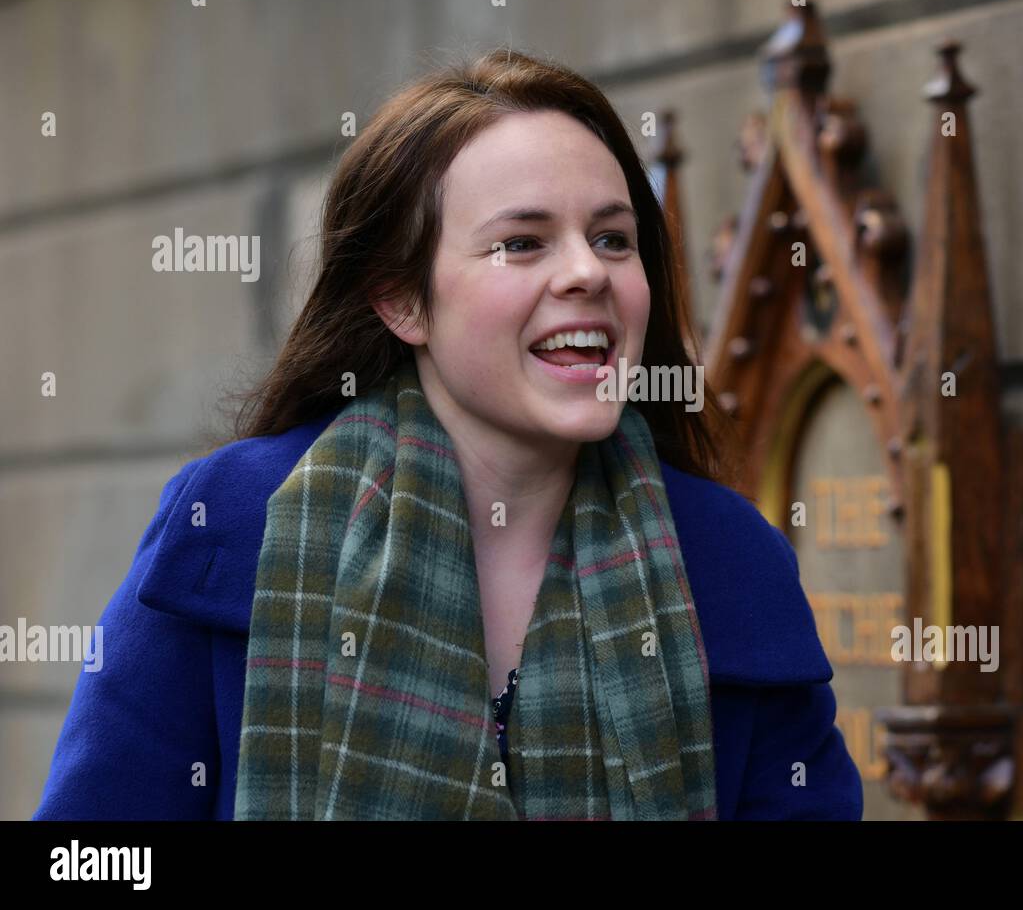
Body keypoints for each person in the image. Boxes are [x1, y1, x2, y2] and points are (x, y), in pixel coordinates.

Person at [32, 47, 863, 821]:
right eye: (522, 242)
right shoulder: (235, 524)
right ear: (402, 301)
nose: (587, 272)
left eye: (614, 238)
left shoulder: (730, 563)